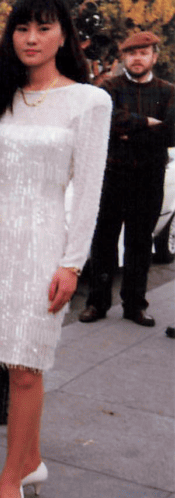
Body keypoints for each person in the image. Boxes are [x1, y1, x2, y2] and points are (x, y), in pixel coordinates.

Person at [0, 0, 111, 498]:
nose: (31, 39)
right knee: (13, 361)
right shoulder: (0, 95)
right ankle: (29, 462)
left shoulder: (89, 101)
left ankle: (11, 477)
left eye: (44, 28)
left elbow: (89, 189)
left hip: (45, 247)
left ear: (63, 35)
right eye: (22, 29)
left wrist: (72, 263)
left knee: (28, 367)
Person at [79, 31, 175, 327]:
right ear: (124, 57)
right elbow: (102, 122)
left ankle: (135, 306)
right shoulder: (108, 87)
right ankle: (97, 303)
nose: (137, 58)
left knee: (140, 242)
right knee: (104, 240)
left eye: (144, 53)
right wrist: (145, 123)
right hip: (113, 173)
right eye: (132, 53)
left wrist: (125, 129)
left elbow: (171, 132)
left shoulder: (168, 91)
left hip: (149, 176)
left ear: (154, 57)